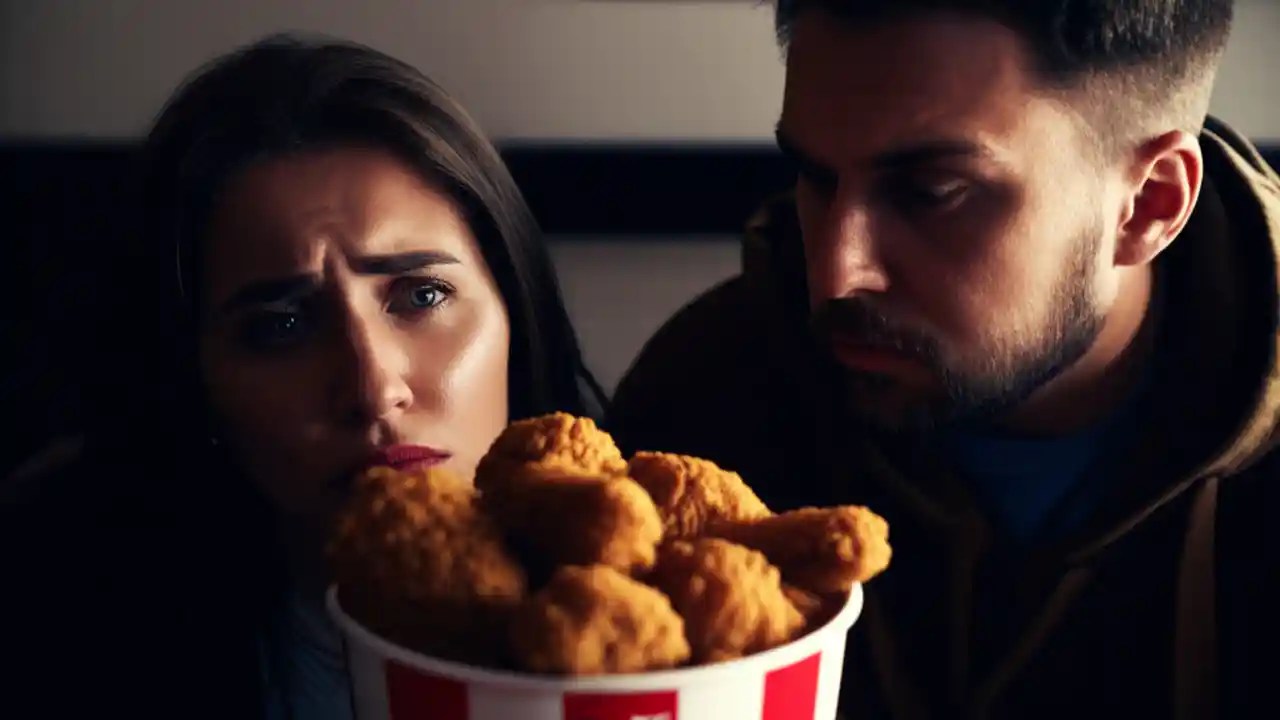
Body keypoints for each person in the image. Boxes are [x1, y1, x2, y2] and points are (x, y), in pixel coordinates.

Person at [609, 1, 1273, 717]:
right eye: (816, 178)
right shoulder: (700, 407)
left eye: (932, 194)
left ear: (1149, 205)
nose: (836, 273)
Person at [2, 35, 600, 718]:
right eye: (281, 327)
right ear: (192, 377)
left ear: (514, 307)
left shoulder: (676, 623)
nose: (373, 388)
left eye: (421, 296)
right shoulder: (57, 638)